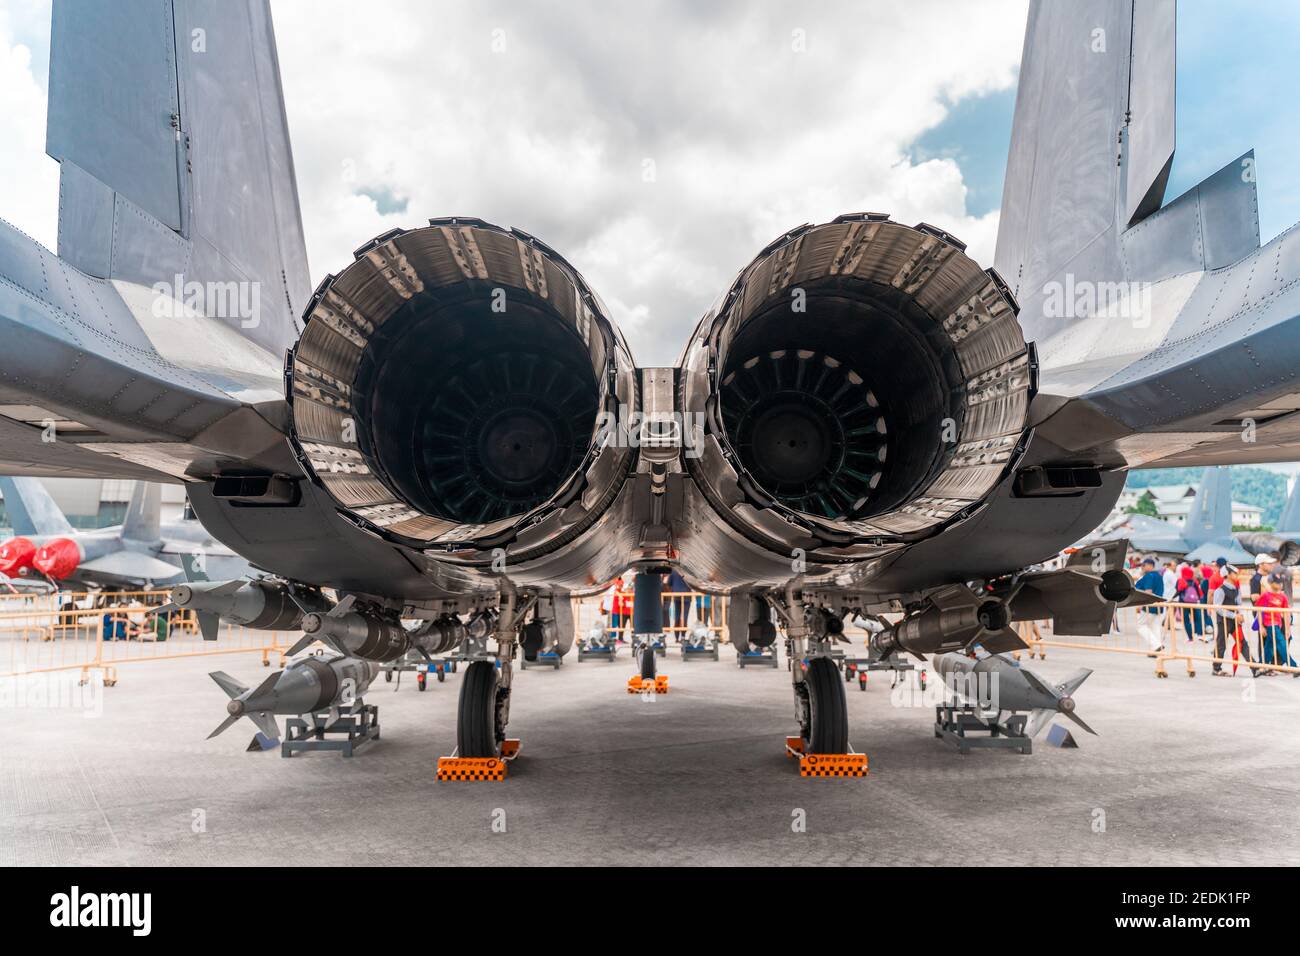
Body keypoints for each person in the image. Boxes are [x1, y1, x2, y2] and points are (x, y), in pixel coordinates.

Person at [1211, 566, 1254, 677]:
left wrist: (1240, 615)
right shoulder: (1220, 590)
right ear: (1228, 574)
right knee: (1221, 644)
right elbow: (1218, 608)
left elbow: (1239, 604)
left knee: (1243, 643)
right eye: (1235, 573)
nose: (1237, 575)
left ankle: (1255, 668)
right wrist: (1234, 616)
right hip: (1224, 622)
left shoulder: (1236, 589)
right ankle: (1216, 668)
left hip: (1234, 622)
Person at [1255, 571, 1297, 674]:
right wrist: (1261, 626)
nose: (1280, 584)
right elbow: (1259, 611)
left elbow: (1286, 614)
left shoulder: (1283, 597)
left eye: (1280, 582)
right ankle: (1294, 667)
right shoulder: (1265, 595)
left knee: (1269, 646)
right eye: (1277, 582)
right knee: (1281, 644)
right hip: (1270, 624)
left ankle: (1260, 666)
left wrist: (1288, 629)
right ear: (1271, 583)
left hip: (1278, 624)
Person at [1134, 557, 1165, 653]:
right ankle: (1157, 649)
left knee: (1140, 626)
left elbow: (1148, 592)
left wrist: (1140, 605)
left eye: (1144, 565)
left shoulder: (1149, 576)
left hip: (1148, 605)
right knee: (1155, 627)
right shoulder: (1158, 575)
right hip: (1158, 604)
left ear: (1150, 566)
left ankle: (1156, 645)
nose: (1142, 567)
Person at [1176, 566, 1201, 643]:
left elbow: (1178, 591)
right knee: (1196, 619)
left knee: (1186, 621)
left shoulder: (1180, 580)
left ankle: (1190, 638)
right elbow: (1199, 592)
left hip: (1183, 603)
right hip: (1194, 603)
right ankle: (1199, 634)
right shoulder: (1194, 581)